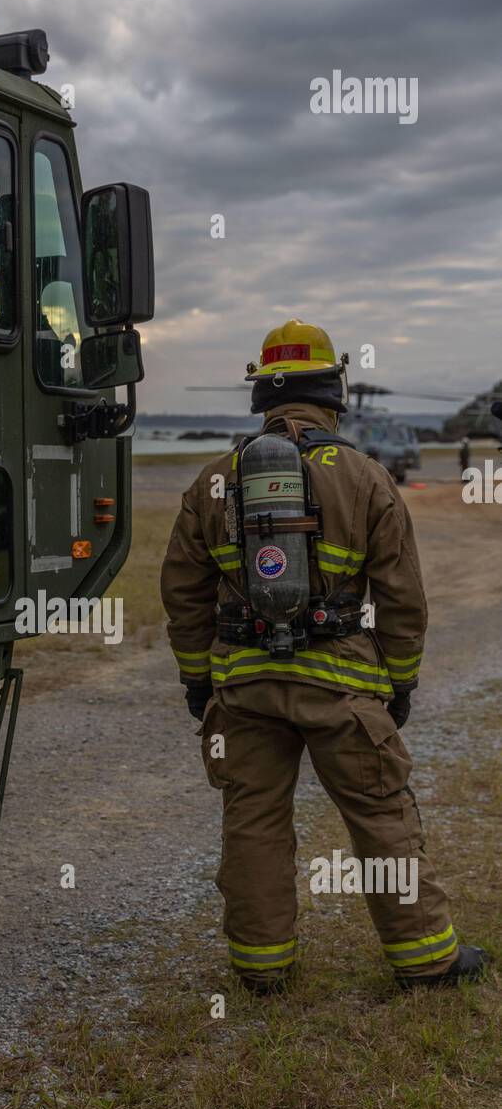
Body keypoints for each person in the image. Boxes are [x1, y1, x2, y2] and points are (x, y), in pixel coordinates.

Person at [160, 319, 489, 993]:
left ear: (262, 396)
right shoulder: (365, 478)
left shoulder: (217, 480)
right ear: (333, 393)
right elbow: (403, 598)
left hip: (245, 689)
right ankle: (427, 960)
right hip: (343, 691)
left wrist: (200, 681)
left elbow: (183, 592)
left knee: (252, 822)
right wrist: (400, 684)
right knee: (380, 817)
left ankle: (262, 968)